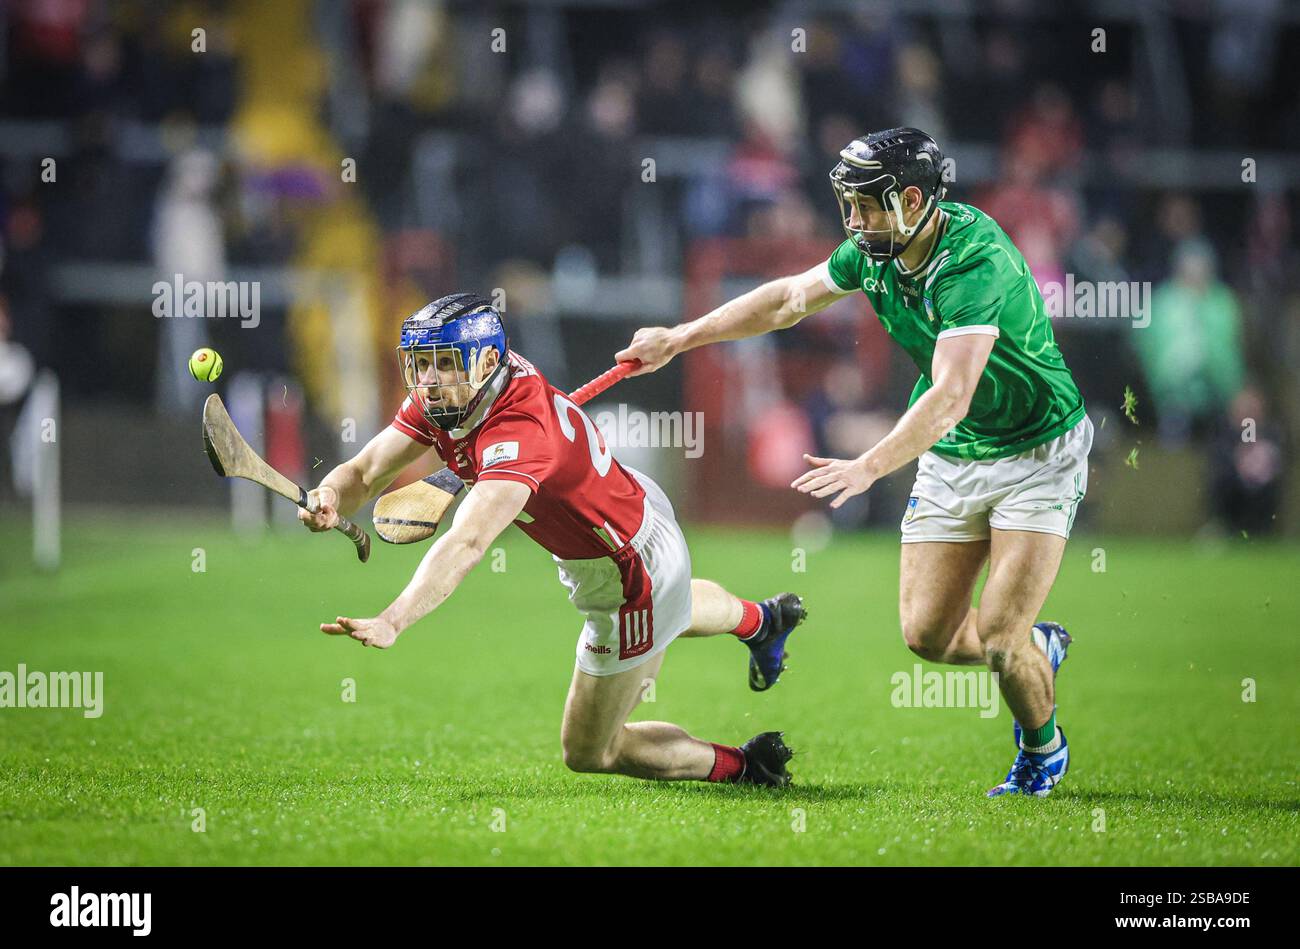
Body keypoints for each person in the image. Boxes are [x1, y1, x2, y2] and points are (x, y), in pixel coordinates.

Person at [617, 128, 1092, 797]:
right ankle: (1041, 650)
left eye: (866, 205)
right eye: (848, 204)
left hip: (1036, 450)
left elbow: (953, 394)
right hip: (955, 453)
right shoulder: (876, 251)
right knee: (927, 637)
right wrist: (681, 337)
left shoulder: (973, 260)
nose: (853, 220)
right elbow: (786, 300)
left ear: (913, 199)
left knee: (998, 640)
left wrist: (869, 465)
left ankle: (1043, 751)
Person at [301, 293, 807, 787]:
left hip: (625, 572)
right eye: (421, 364)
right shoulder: (465, 390)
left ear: (487, 361)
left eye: (445, 364)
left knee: (590, 751)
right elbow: (365, 472)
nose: (428, 383)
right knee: (676, 606)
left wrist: (394, 619)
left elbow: (468, 542)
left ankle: (749, 765)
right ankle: (762, 621)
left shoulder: (518, 435)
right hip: (631, 508)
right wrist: (329, 495)